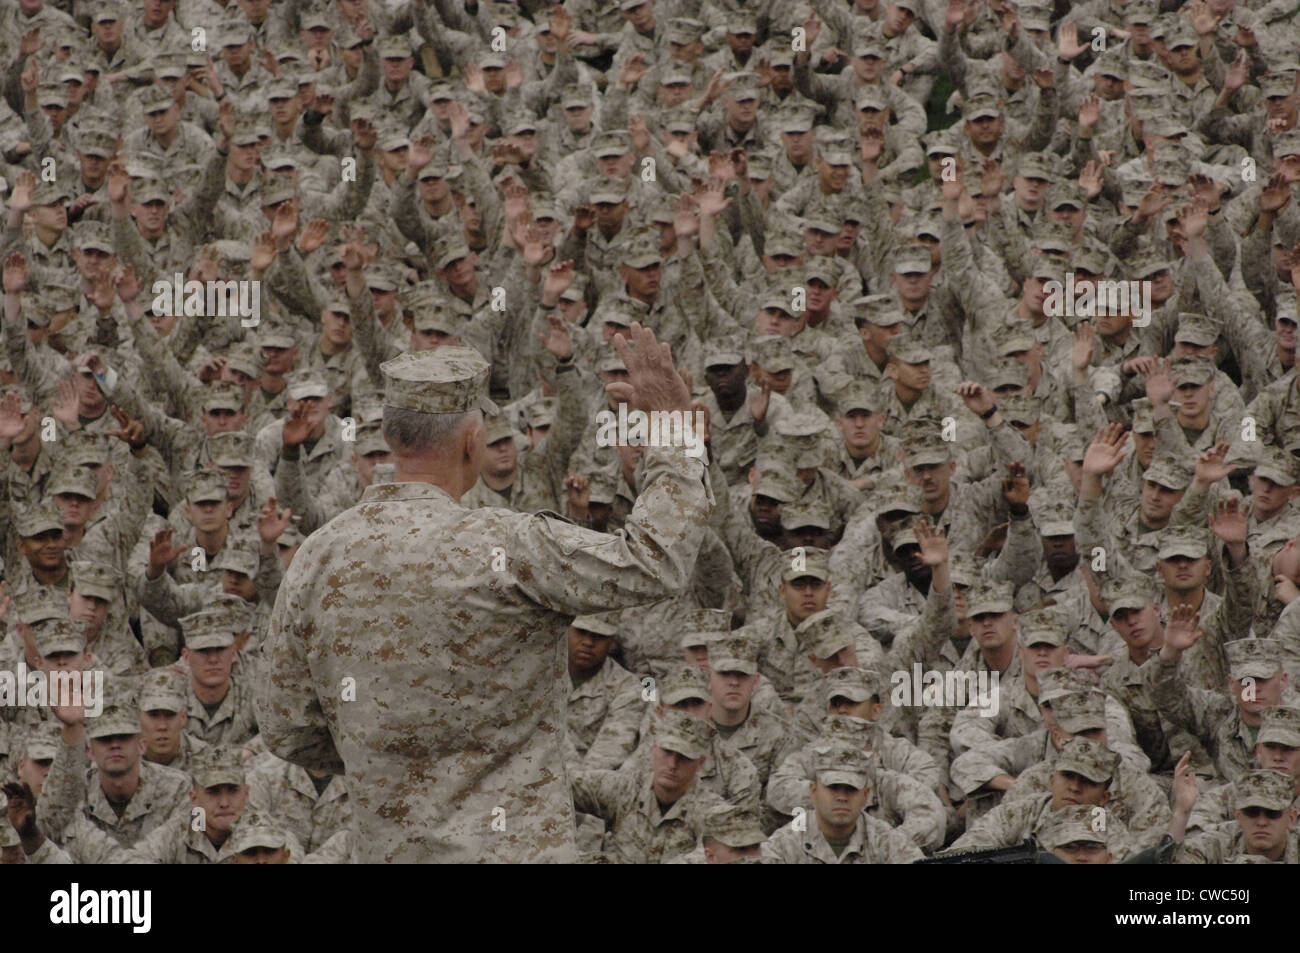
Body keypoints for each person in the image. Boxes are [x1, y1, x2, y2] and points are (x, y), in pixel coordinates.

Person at [259, 327, 712, 862]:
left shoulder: (316, 557)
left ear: (395, 438)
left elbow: (287, 730)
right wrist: (674, 432)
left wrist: (393, 759)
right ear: (472, 442)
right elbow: (655, 559)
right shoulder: (511, 548)